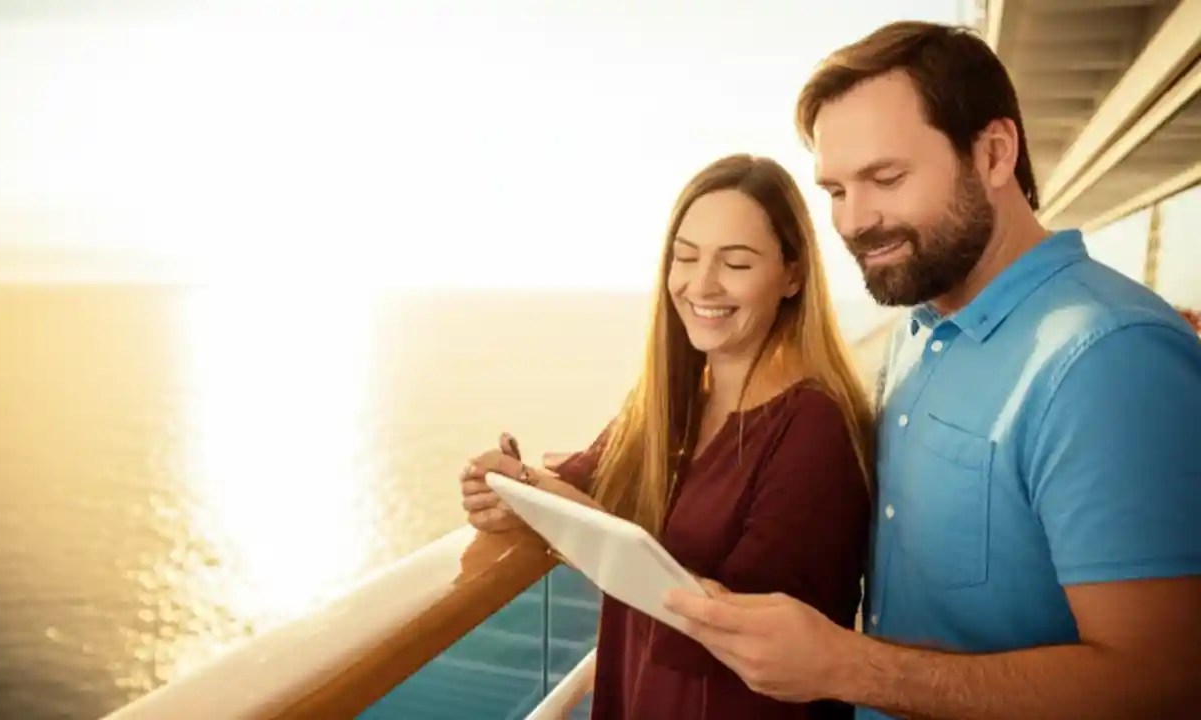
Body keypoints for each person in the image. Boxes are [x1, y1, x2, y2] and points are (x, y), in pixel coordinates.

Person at [665, 21, 1201, 719]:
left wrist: (846, 665)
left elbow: (1167, 679)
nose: (855, 221)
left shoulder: (1108, 357)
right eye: (835, 190)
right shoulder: (918, 330)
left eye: (885, 178)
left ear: (995, 153)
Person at [458, 153, 874, 719]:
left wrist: (541, 494)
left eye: (737, 263)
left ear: (793, 275)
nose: (701, 284)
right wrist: (508, 489)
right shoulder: (674, 398)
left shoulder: (813, 429)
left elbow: (735, 629)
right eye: (685, 257)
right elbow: (583, 481)